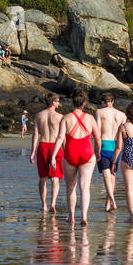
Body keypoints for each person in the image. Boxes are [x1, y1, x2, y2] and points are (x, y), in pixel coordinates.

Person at [50, 89, 100, 225]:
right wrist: (98, 152)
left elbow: (60, 138)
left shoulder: (66, 118)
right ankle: (84, 216)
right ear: (84, 103)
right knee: (85, 187)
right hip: (87, 153)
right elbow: (97, 138)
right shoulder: (90, 118)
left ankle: (71, 217)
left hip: (70, 153)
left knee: (70, 187)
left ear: (72, 101)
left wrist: (53, 156)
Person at [30, 93, 65, 214]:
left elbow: (35, 135)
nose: (59, 103)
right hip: (55, 146)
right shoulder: (60, 117)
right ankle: (53, 203)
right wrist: (66, 151)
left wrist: (33, 152)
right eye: (58, 101)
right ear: (54, 102)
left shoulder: (39, 115)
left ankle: (44, 205)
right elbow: (62, 137)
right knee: (55, 178)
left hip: (43, 145)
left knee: (43, 178)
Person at [94, 92, 127, 212]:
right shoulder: (122, 115)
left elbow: (97, 132)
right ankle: (108, 204)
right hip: (116, 145)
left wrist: (96, 149)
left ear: (103, 102)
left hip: (104, 144)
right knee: (113, 175)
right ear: (112, 101)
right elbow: (124, 132)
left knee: (106, 174)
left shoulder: (99, 112)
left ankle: (112, 200)